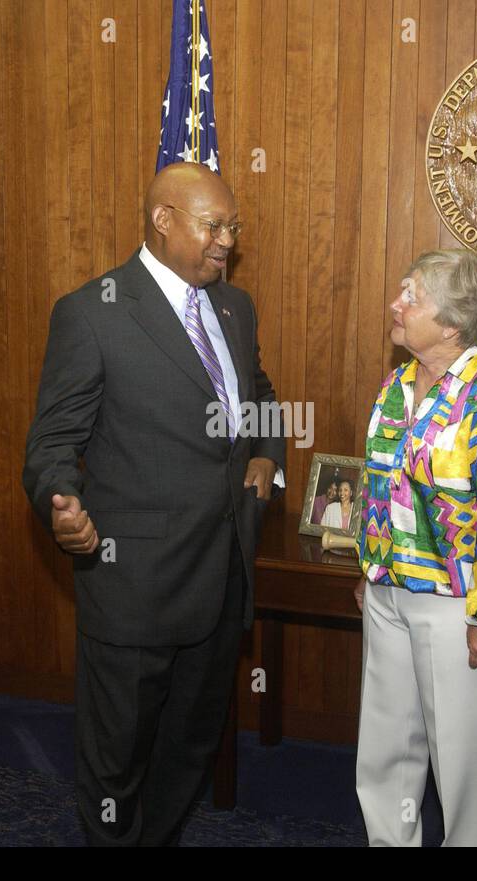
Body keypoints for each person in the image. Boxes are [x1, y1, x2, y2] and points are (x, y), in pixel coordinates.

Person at [23, 162, 286, 846]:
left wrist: (265, 454)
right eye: (212, 225)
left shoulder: (234, 304)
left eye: (233, 227)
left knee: (190, 747)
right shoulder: (92, 312)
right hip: (134, 585)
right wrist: (60, 503)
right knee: (117, 760)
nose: (226, 240)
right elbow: (53, 440)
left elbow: (258, 392)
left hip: (223, 575)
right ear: (162, 219)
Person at [353, 249, 477, 846]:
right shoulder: (398, 384)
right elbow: (378, 480)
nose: (396, 303)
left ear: (454, 323)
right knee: (385, 747)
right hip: (388, 592)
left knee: (461, 762)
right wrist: (371, 563)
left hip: (458, 606)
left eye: (413, 296)